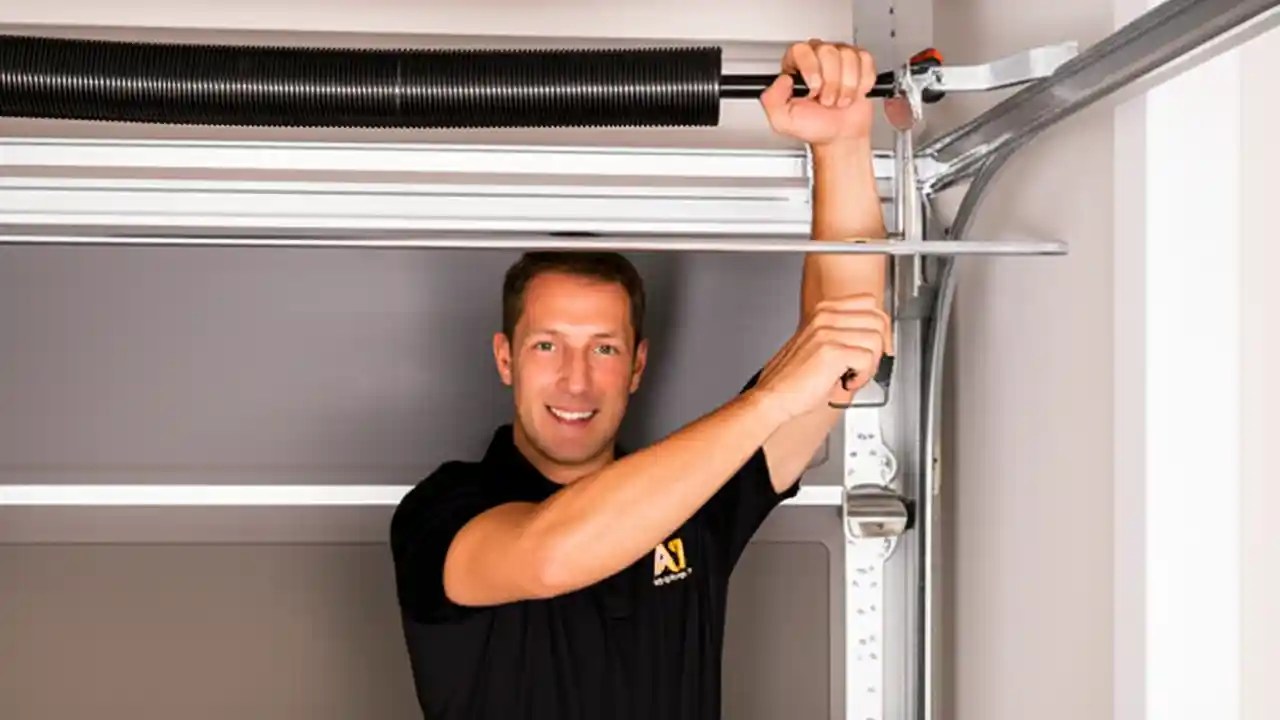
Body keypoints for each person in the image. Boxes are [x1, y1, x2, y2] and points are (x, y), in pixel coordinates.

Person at [389, 38, 893, 720]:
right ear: (506, 359)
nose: (575, 380)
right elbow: (547, 555)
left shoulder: (698, 490)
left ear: (636, 367)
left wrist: (841, 146)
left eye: (602, 349)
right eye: (547, 346)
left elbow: (846, 345)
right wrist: (773, 397)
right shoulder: (442, 511)